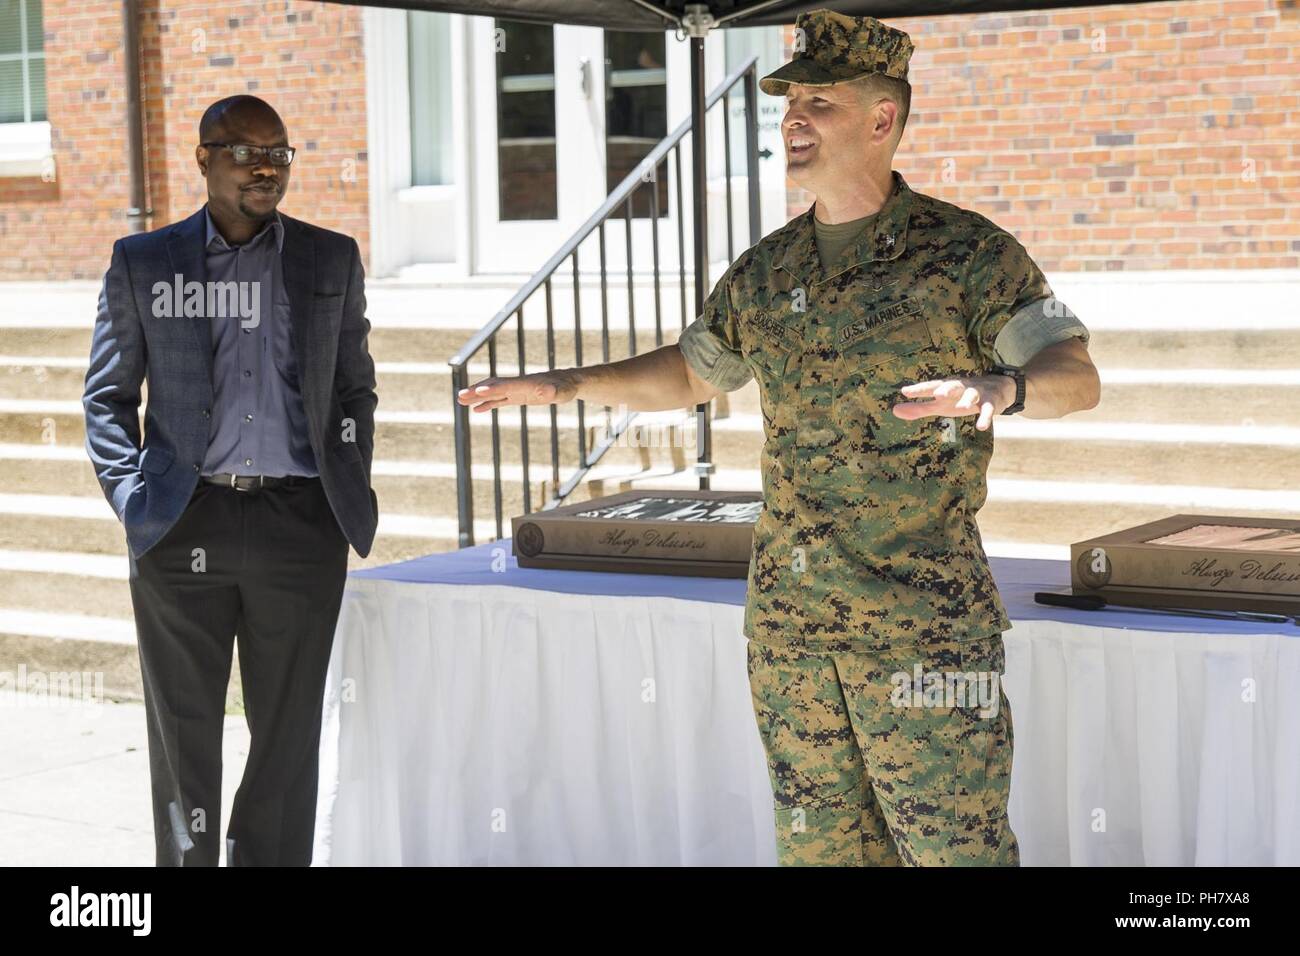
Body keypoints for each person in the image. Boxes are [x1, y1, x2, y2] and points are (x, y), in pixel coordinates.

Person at [457, 9, 1100, 866]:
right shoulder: (769, 270)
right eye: (790, 101)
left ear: (883, 118)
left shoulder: (970, 256)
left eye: (819, 102)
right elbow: (693, 373)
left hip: (920, 634)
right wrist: (571, 385)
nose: (793, 117)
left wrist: (1002, 388)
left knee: (955, 855)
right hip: (792, 635)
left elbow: (1076, 374)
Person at [82, 94, 378, 866]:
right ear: (203, 158)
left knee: (288, 735)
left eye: (278, 153)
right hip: (184, 522)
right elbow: (107, 398)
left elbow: (354, 390)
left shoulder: (329, 257)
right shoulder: (145, 263)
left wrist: (345, 484)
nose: (265, 167)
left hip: (301, 527)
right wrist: (134, 501)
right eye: (245, 152)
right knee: (183, 735)